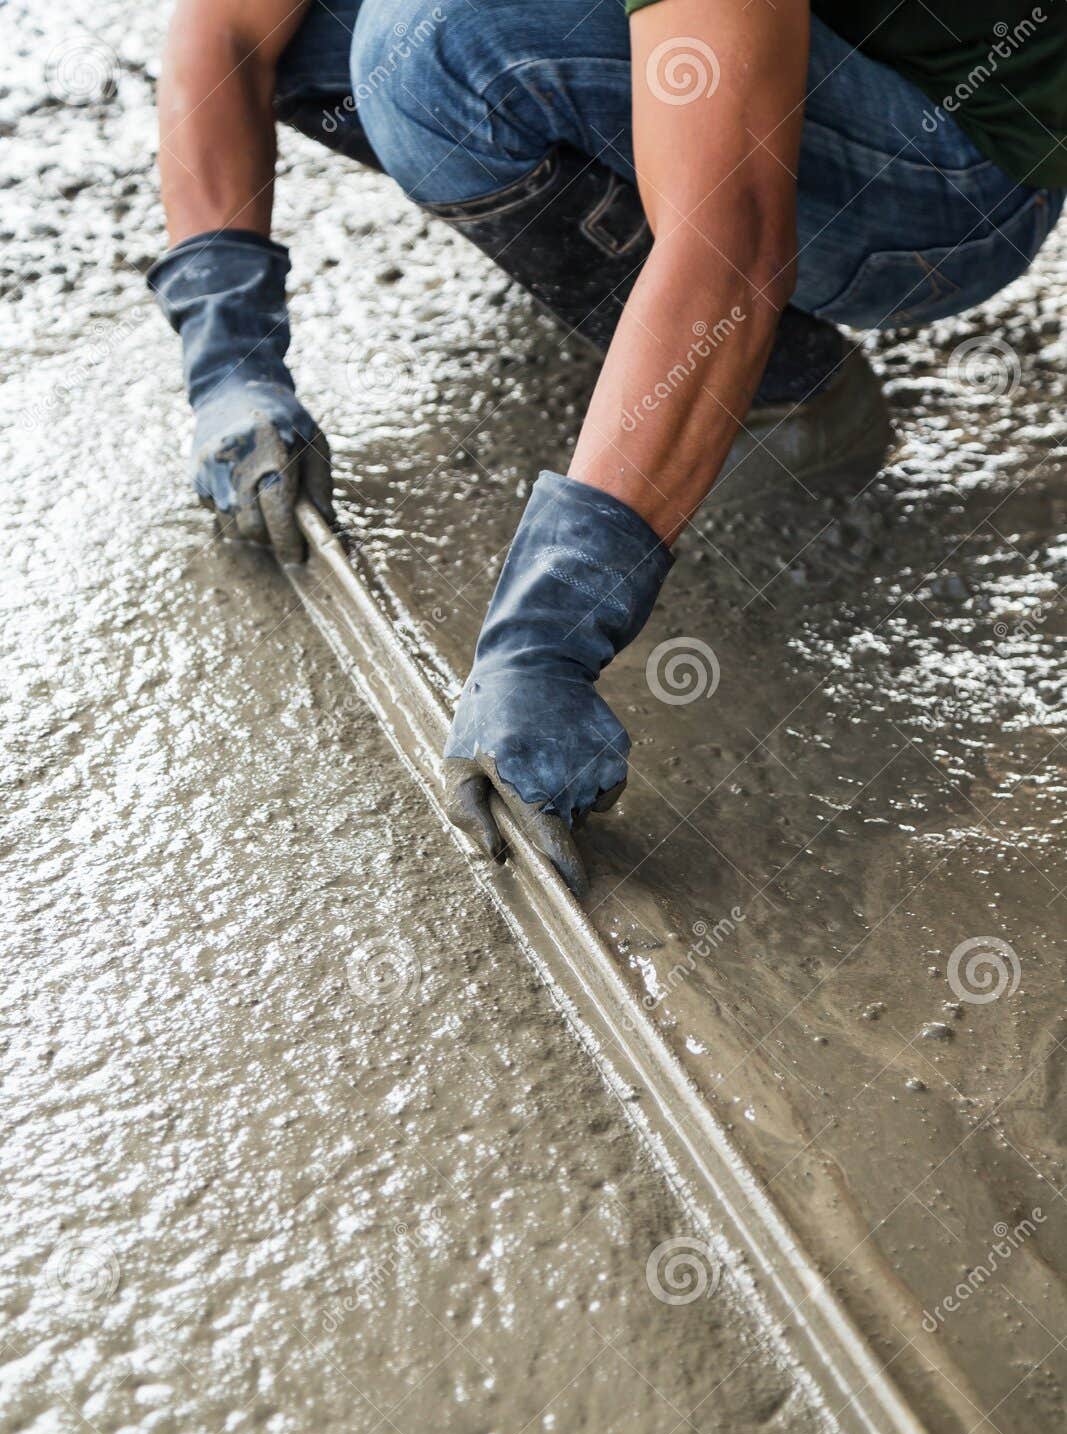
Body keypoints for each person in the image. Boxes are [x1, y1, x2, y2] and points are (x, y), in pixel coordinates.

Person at [150, 0, 1066, 895]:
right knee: (329, 37)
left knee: (441, 46)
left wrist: (549, 632)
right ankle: (631, 285)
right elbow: (223, 26)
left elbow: (733, 239)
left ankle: (788, 392)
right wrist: (227, 357)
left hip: (956, 162)